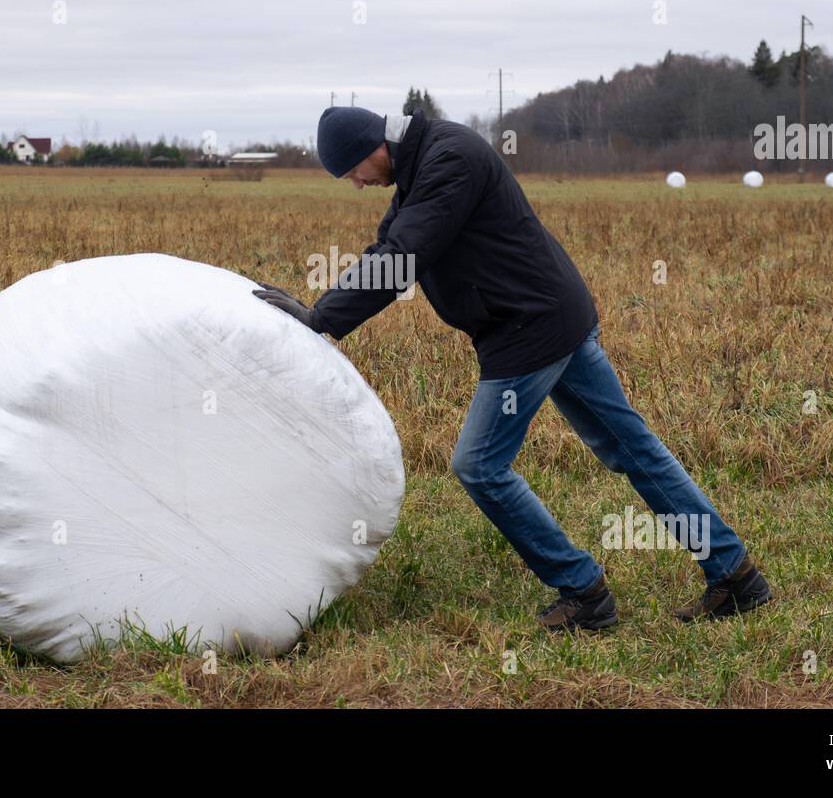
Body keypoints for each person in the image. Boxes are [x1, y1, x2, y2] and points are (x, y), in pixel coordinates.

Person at [252, 105, 771, 631]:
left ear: (372, 147)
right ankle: (736, 576)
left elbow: (403, 257)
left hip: (530, 330)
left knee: (479, 465)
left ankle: (582, 590)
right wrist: (321, 309)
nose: (358, 185)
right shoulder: (423, 165)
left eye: (353, 172)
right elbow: (389, 245)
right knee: (634, 449)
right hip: (549, 315)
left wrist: (323, 319)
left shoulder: (448, 159)